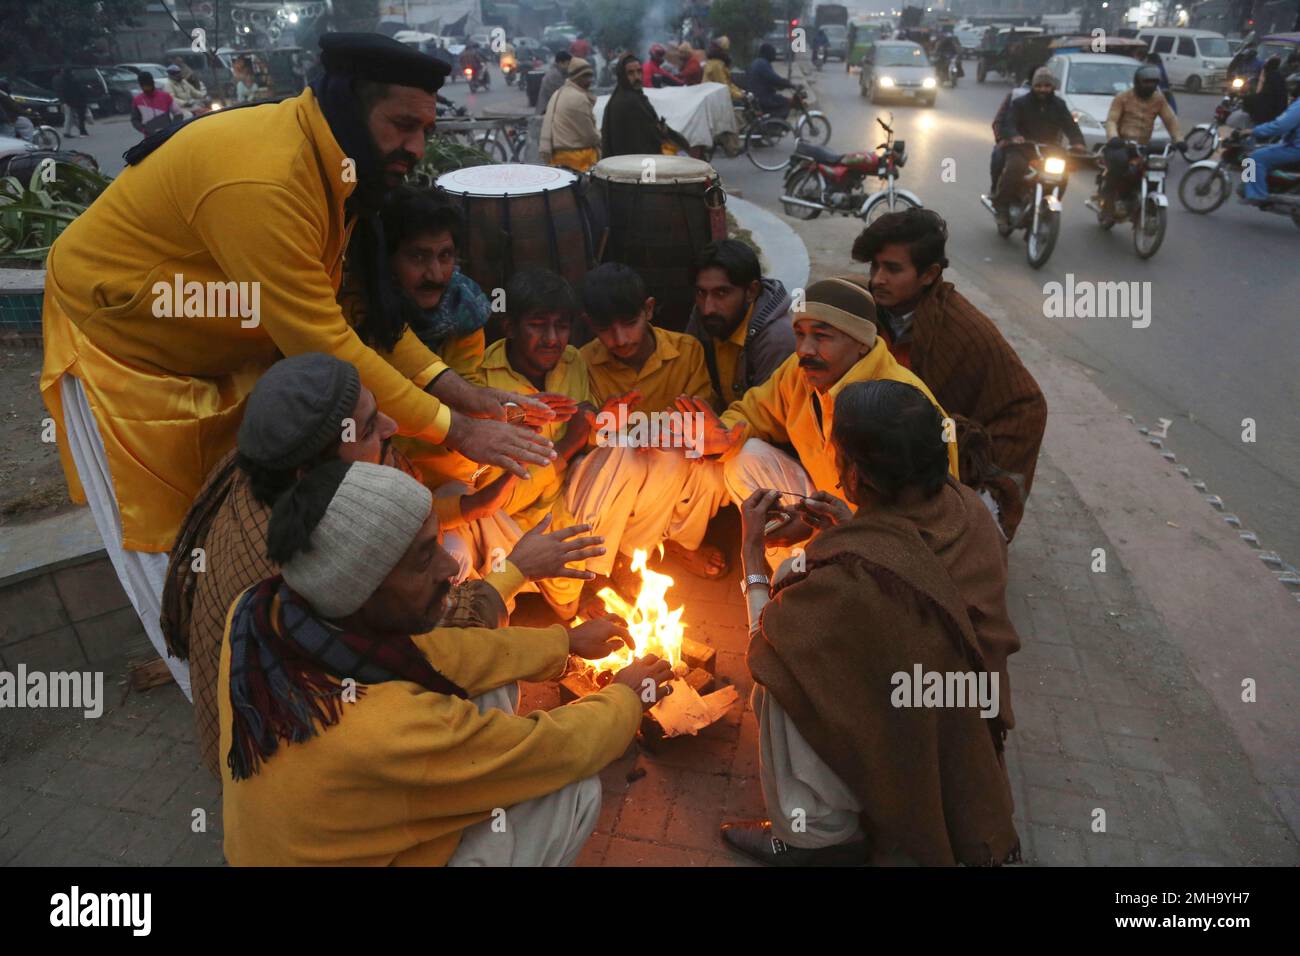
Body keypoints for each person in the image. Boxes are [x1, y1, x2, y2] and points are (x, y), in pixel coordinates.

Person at [39, 33, 555, 694]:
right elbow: (323, 341)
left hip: (220, 346)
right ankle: (220, 691)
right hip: (121, 349)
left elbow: (356, 315)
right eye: (402, 125)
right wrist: (457, 431)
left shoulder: (337, 168)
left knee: (242, 511)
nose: (417, 148)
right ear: (348, 107)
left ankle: (245, 651)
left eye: (427, 128)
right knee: (170, 530)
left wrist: (455, 390)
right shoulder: (269, 176)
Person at [219, 458, 676, 865]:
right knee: (573, 790)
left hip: (335, 832)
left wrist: (566, 643)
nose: (447, 567)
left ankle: (468, 782)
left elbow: (441, 654)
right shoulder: (385, 727)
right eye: (422, 560)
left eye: (436, 544)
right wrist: (626, 697)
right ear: (363, 588)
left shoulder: (261, 610)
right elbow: (557, 752)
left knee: (492, 678)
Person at [162, 353, 578, 777]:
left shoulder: (273, 469)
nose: (392, 427)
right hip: (298, 757)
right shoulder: (313, 550)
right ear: (313, 471)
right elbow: (433, 646)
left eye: (378, 411)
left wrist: (474, 505)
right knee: (489, 677)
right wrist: (517, 571)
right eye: (368, 428)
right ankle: (472, 793)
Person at [719, 380, 1021, 867]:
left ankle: (813, 835)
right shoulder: (967, 508)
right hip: (962, 725)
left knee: (775, 671)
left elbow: (767, 645)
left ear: (855, 475)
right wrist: (848, 527)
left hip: (916, 725)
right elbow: (906, 572)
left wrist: (751, 552)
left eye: (840, 457)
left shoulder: (856, 578)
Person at [678, 277, 959, 570]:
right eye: (799, 334)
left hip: (888, 544)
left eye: (822, 336)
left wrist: (825, 528)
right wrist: (725, 435)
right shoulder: (800, 372)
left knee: (843, 588)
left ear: (861, 344)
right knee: (743, 458)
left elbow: (926, 517)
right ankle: (791, 585)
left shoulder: (902, 406)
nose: (805, 350)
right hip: (823, 507)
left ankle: (817, 586)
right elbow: (754, 411)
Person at [851, 210, 1047, 539]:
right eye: (875, 266)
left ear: (929, 274)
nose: (878, 279)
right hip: (900, 444)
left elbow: (1027, 405)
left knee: (950, 544)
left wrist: (978, 472)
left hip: (962, 446)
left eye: (893, 269)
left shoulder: (962, 331)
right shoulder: (868, 307)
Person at [449, 268, 606, 617]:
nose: (552, 338)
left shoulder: (573, 360)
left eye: (561, 325)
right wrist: (566, 447)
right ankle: (485, 618)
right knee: (464, 514)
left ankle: (586, 584)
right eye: (538, 324)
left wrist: (597, 419)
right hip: (502, 517)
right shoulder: (480, 380)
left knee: (624, 455)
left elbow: (585, 433)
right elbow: (497, 495)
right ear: (510, 327)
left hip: (561, 501)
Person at [568, 263, 729, 581]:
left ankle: (681, 543)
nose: (620, 338)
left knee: (711, 468)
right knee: (629, 452)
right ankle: (621, 559)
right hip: (618, 483)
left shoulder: (686, 351)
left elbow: (702, 425)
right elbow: (591, 442)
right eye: (605, 329)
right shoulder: (582, 362)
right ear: (589, 324)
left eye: (629, 323)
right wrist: (607, 429)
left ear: (649, 310)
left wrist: (665, 436)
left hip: (673, 470)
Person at [684, 239, 796, 405]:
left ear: (751, 291)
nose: (708, 308)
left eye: (721, 293)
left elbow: (766, 416)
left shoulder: (777, 339)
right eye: (701, 292)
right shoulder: (705, 316)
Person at [992, 68, 1085, 229]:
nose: (1043, 89)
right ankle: (1002, 207)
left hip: (1050, 149)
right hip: (1023, 147)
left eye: (1047, 86)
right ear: (1033, 86)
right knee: (1016, 167)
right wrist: (1014, 135)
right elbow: (1008, 123)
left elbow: (1070, 126)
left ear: (1052, 87)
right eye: (1039, 86)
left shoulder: (1059, 105)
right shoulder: (1020, 103)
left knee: (1062, 174)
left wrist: (1078, 142)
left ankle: (1048, 207)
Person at [1101, 65, 1183, 217]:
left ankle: (1151, 202)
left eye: (1153, 82)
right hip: (1121, 145)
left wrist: (1179, 140)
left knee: (1160, 168)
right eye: (1146, 82)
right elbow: (1111, 120)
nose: (1150, 85)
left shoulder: (1159, 99)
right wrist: (1113, 138)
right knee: (1120, 164)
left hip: (1144, 146)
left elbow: (1170, 120)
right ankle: (1109, 199)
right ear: (1137, 82)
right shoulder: (1123, 97)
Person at [1239, 73, 1300, 205]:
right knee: (1265, 149)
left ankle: (1257, 195)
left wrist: (1254, 131)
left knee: (1255, 158)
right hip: (1290, 143)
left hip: (1295, 148)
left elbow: (1281, 125)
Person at [602, 53, 672, 157]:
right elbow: (647, 138)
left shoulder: (628, 96)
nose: (637, 77)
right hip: (636, 164)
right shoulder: (630, 102)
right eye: (631, 73)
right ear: (622, 76)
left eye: (639, 71)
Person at [540, 57, 600, 172]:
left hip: (556, 157)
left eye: (590, 76)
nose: (590, 80)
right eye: (586, 76)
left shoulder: (559, 92)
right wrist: (601, 136)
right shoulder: (579, 98)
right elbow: (590, 137)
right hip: (577, 158)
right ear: (577, 77)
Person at [749, 43, 796, 117]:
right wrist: (790, 84)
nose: (774, 55)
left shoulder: (758, 62)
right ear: (767, 53)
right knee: (785, 102)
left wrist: (782, 85)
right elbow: (775, 79)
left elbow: (770, 80)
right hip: (764, 98)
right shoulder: (762, 64)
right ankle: (775, 125)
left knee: (781, 98)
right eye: (772, 52)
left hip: (759, 96)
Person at [130, 71, 182, 136]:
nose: (146, 87)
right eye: (143, 85)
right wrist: (144, 130)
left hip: (167, 134)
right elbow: (135, 119)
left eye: (148, 84)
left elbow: (178, 113)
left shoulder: (165, 96)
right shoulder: (137, 100)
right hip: (150, 137)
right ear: (140, 85)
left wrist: (173, 127)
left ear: (152, 83)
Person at [1242, 56, 1288, 125]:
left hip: (1272, 105)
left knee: (1247, 99)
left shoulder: (1271, 76)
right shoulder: (1277, 75)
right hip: (1277, 103)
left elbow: (1266, 92)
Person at [536, 49, 572, 115]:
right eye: (568, 64)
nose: (569, 67)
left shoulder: (559, 72)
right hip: (546, 111)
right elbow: (563, 94)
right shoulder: (555, 75)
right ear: (560, 63)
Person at [57, 67, 89, 138]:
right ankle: (82, 130)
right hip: (79, 101)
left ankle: (68, 132)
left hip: (68, 101)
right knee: (80, 116)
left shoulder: (61, 81)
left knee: (69, 117)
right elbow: (81, 90)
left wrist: (63, 101)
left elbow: (61, 91)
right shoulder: (75, 80)